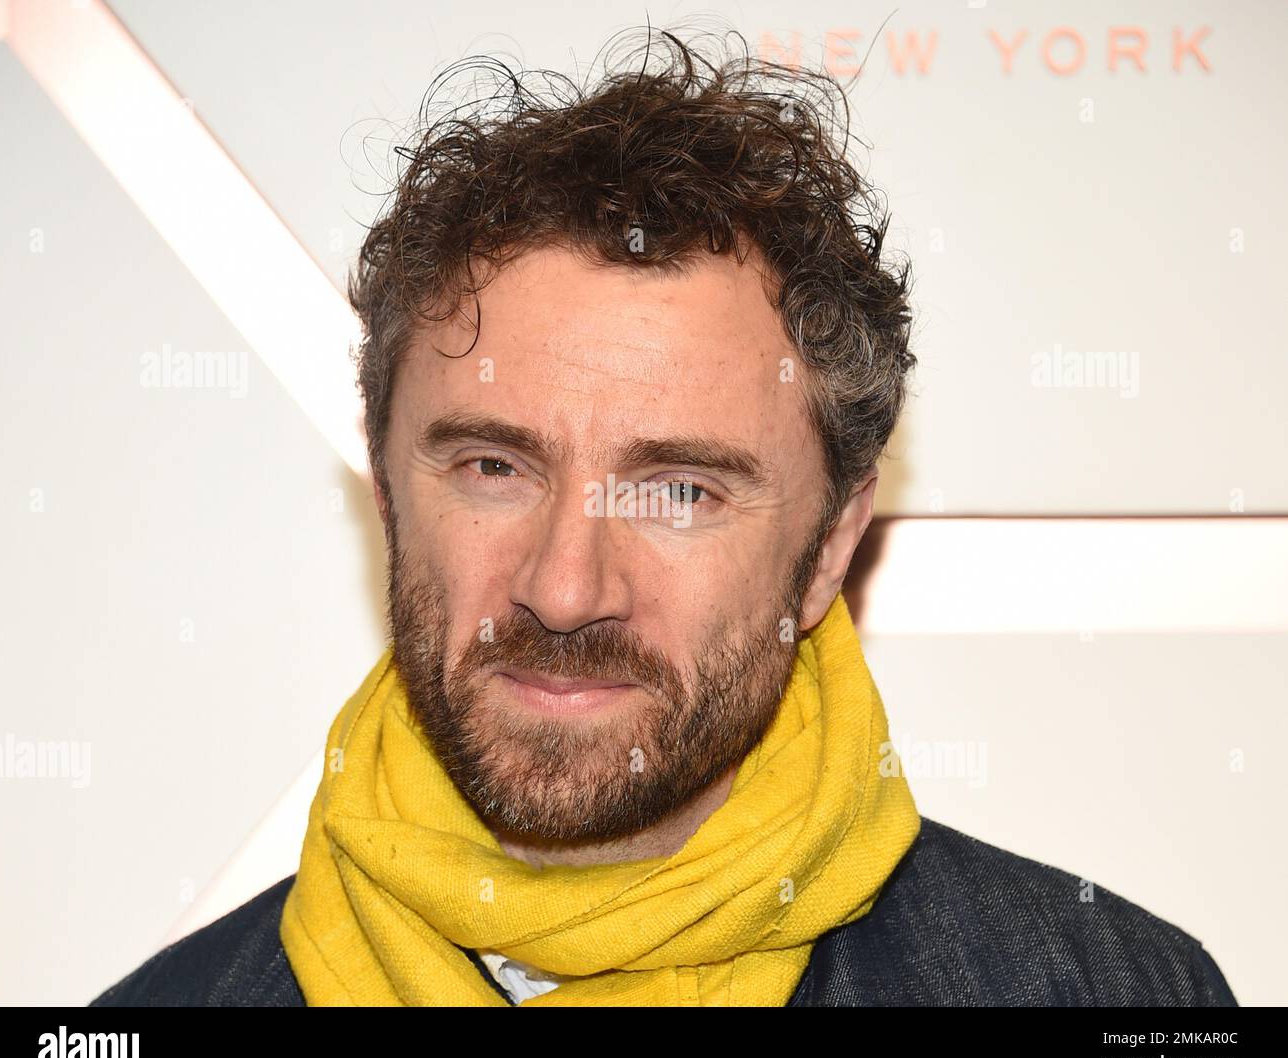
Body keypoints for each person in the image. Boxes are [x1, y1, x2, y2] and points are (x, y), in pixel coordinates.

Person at [91, 27, 1236, 1007]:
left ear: (830, 546)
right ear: (388, 493)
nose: (567, 584)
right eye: (495, 466)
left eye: (680, 490)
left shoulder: (1111, 995)